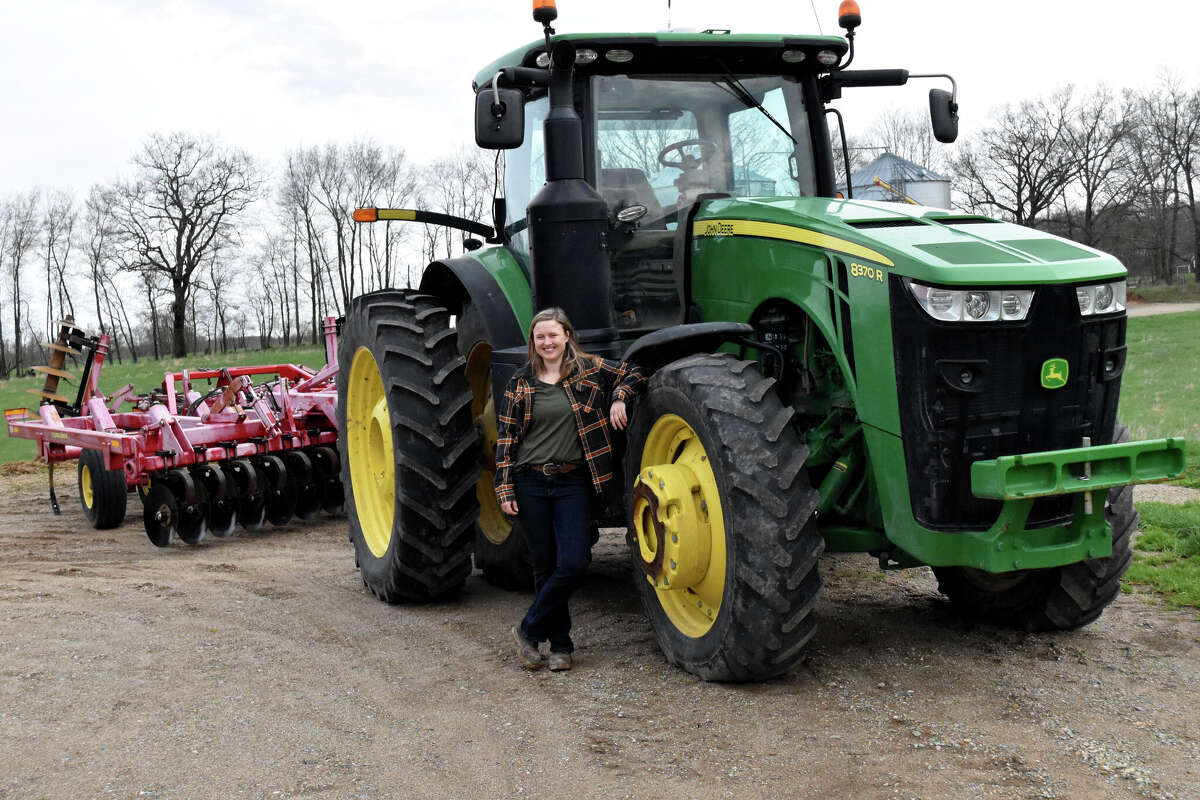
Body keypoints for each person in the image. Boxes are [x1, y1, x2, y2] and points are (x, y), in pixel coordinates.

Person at [494, 307, 646, 672]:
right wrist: (504, 488)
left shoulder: (591, 369)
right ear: (534, 342)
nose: (547, 342)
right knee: (545, 566)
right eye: (540, 337)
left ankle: (527, 629)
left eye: (553, 335)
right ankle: (561, 645)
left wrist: (620, 397)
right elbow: (506, 440)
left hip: (572, 481)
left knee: (574, 561)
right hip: (530, 481)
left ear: (567, 336)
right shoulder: (520, 382)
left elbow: (635, 371)